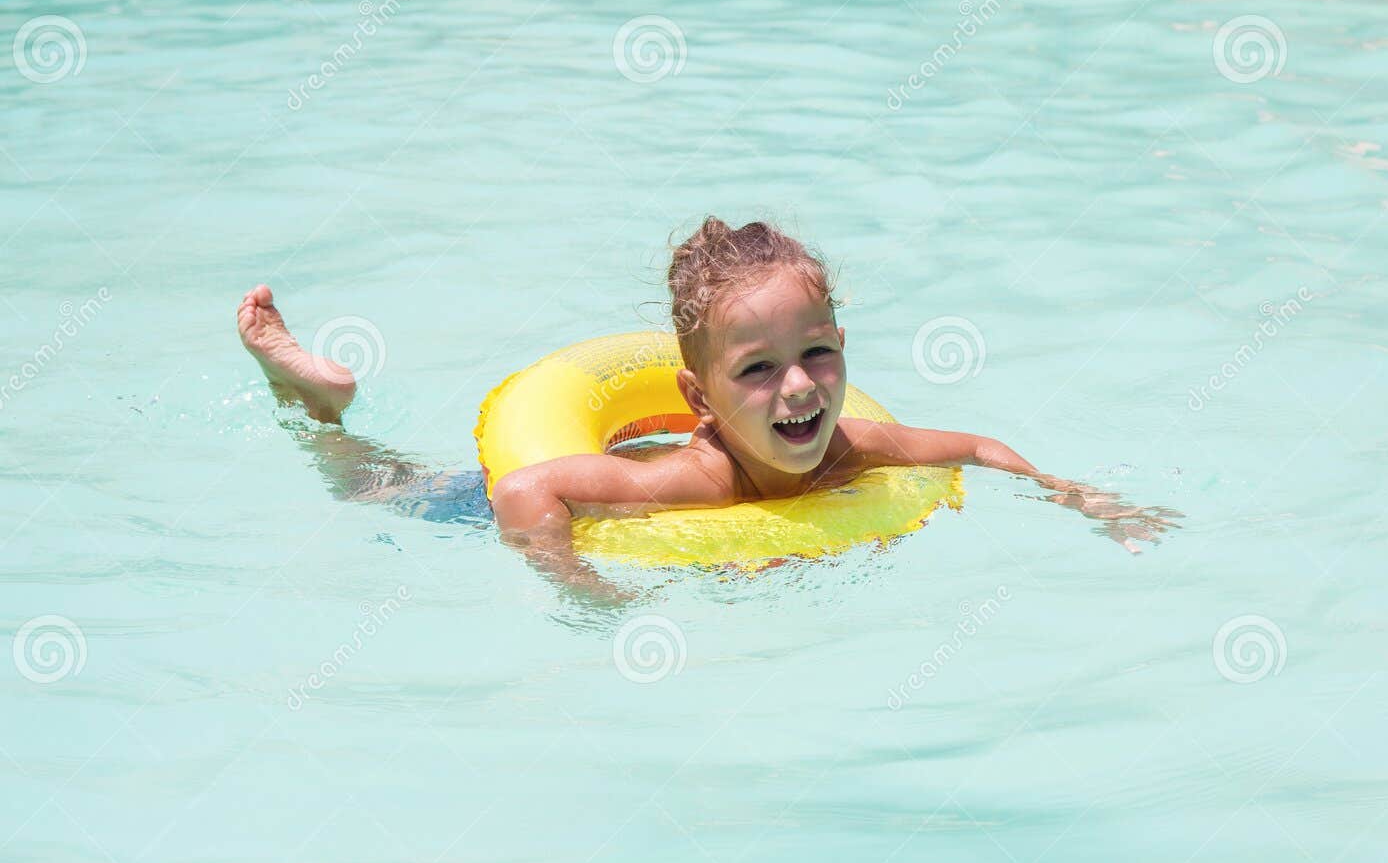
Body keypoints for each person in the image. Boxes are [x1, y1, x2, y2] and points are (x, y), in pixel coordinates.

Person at [236, 218, 1179, 591]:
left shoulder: (857, 447)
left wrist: (1077, 495)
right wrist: (576, 583)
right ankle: (316, 404)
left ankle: (319, 407)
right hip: (474, 498)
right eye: (759, 371)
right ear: (698, 396)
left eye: (816, 354)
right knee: (371, 490)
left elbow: (974, 445)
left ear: (844, 352)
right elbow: (526, 487)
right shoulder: (691, 477)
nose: (799, 386)